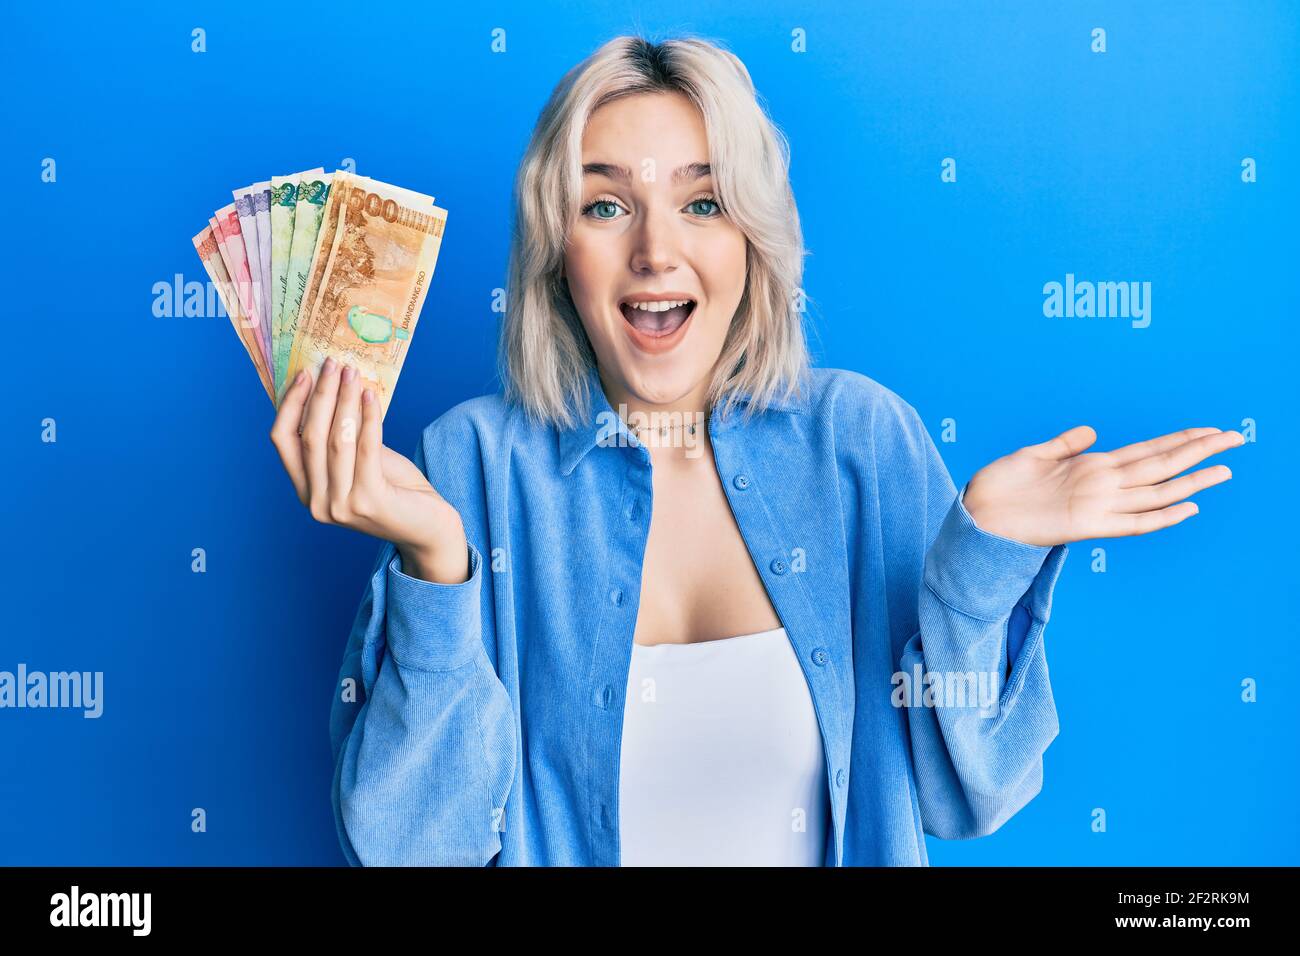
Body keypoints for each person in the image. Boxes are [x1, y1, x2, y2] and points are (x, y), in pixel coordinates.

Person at [269, 35, 1243, 866]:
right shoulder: (469, 463)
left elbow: (967, 794)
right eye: (605, 204)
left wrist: (980, 553)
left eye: (702, 202)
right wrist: (436, 568)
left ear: (754, 240)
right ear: (554, 248)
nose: (656, 250)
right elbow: (410, 845)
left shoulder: (860, 443)